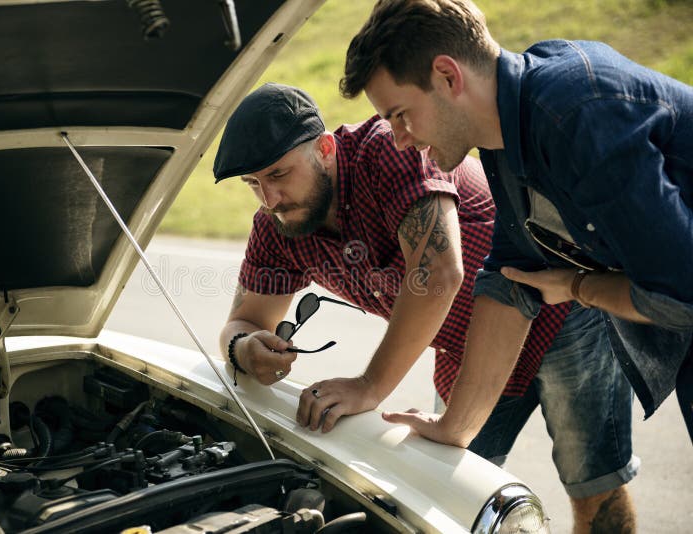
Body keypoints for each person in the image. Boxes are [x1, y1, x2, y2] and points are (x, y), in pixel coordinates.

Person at [214, 82, 638, 532]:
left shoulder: (388, 148)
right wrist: (244, 348)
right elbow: (241, 323)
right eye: (253, 184)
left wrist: (370, 384)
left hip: (564, 316)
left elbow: (438, 273)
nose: (270, 199)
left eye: (279, 175)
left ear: (324, 148)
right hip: (466, 350)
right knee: (453, 502)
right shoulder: (277, 226)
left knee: (593, 485)